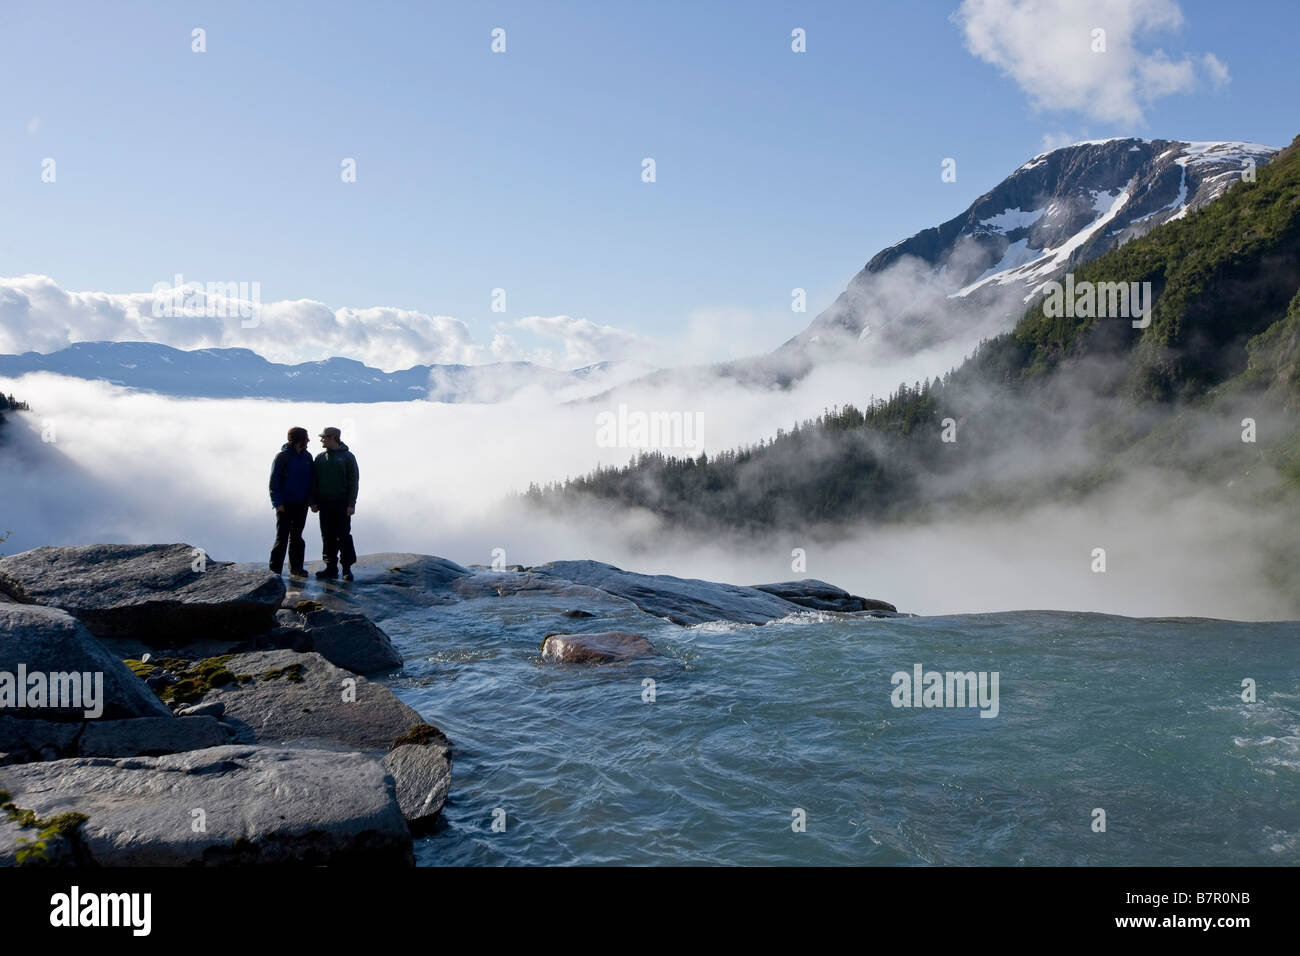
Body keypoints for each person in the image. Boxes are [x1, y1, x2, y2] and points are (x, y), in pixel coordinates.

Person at [310, 426, 359, 581]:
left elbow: (353, 482)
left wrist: (351, 504)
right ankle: (330, 567)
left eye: (324, 437)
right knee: (327, 536)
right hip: (324, 504)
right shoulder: (319, 458)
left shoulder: (348, 457)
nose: (321, 440)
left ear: (332, 438)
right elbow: (313, 482)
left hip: (342, 503)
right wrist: (312, 501)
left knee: (343, 535)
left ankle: (346, 568)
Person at [268, 426, 314, 578]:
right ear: (298, 440)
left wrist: (311, 501)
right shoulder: (282, 457)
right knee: (282, 538)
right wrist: (277, 503)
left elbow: (311, 481)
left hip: (301, 504)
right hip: (285, 505)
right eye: (306, 438)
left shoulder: (307, 457)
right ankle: (274, 572)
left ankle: (297, 568)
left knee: (297, 537)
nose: (308, 440)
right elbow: (274, 482)